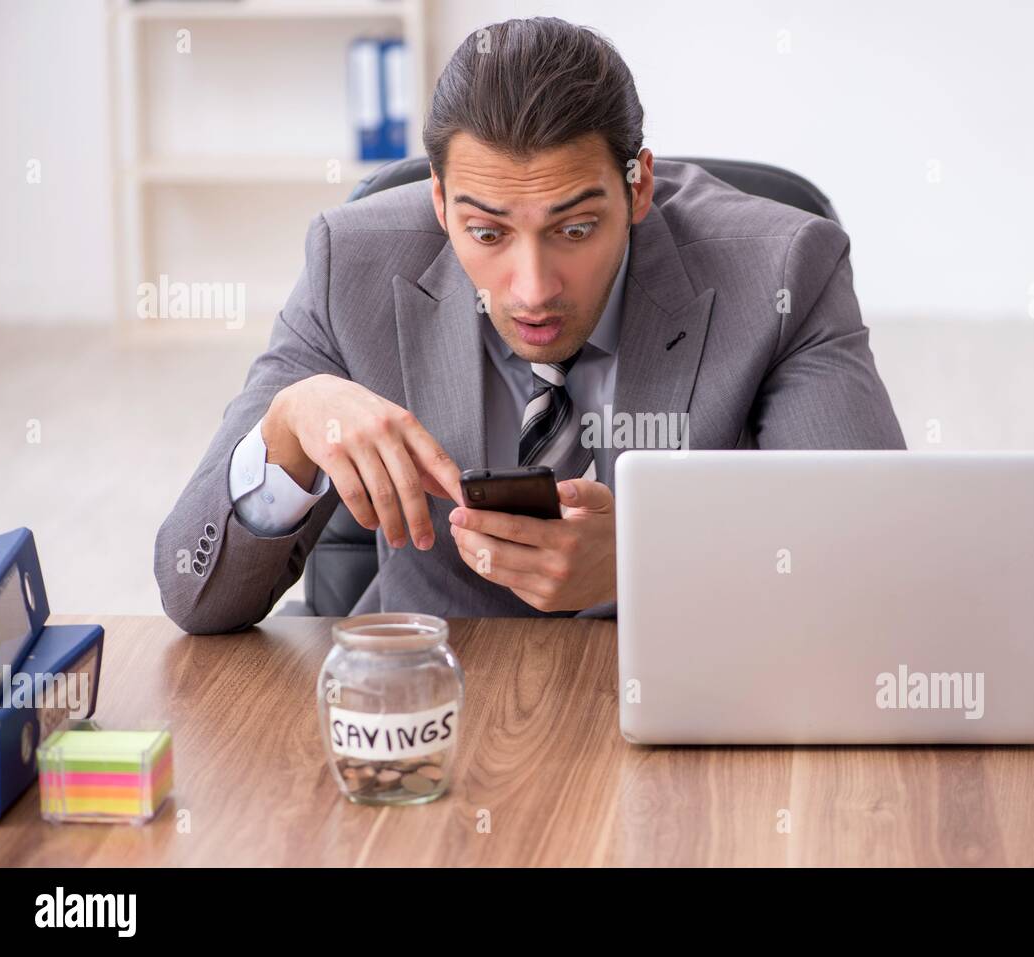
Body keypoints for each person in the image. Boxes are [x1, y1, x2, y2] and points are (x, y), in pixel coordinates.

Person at [154, 16, 904, 633]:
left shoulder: (784, 270)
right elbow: (194, 592)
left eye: (575, 229)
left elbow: (873, 567)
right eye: (487, 234)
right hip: (437, 698)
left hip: (692, 689)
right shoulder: (346, 265)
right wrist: (288, 426)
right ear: (441, 205)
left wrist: (651, 559)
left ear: (637, 188)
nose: (534, 288)